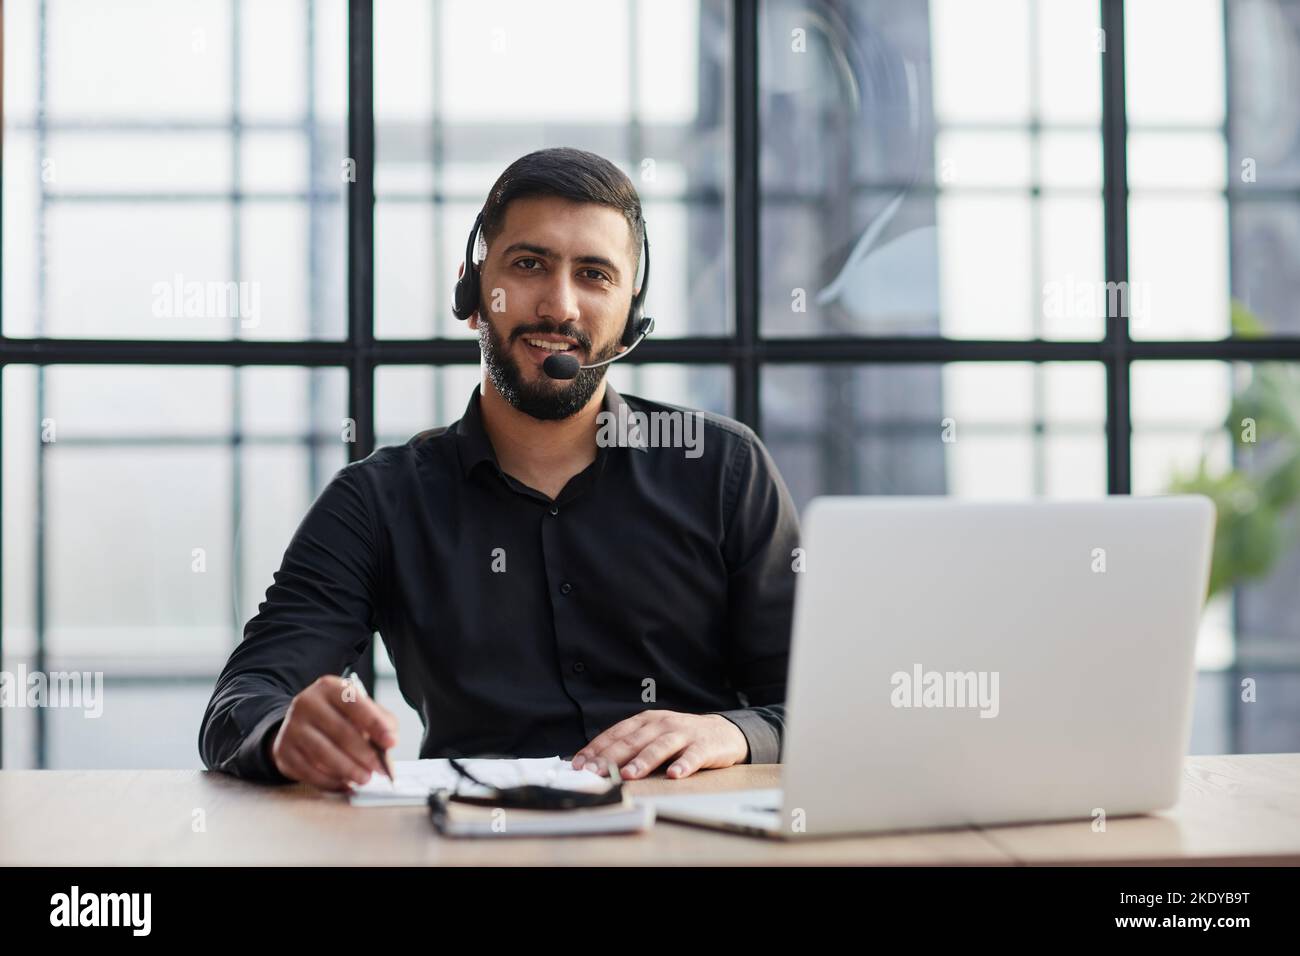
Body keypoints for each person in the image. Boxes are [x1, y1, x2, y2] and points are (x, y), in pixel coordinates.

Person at [199, 147, 799, 789]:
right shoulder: (378, 500)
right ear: (474, 292)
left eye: (595, 274)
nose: (559, 306)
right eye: (530, 264)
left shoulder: (723, 469)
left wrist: (732, 732)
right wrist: (286, 731)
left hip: (693, 843)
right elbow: (241, 705)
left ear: (632, 317)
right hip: (469, 843)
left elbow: (819, 705)